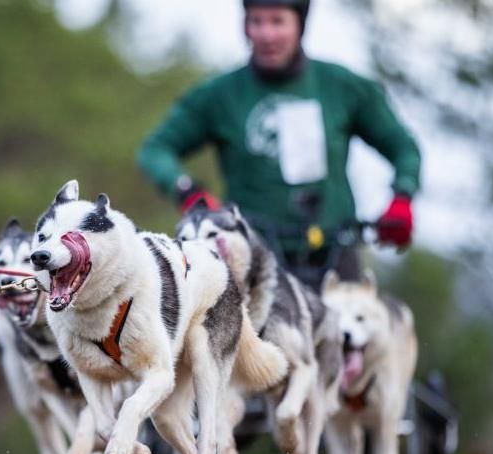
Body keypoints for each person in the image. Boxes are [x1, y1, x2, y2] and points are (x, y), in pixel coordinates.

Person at [138, 0, 420, 287]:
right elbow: (156, 150)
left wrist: (402, 197)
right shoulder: (219, 96)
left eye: (277, 21)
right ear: (245, 26)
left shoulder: (343, 87)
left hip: (335, 254)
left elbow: (403, 148)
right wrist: (190, 195)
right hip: (253, 257)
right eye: (257, 21)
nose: (266, 34)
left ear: (299, 24)